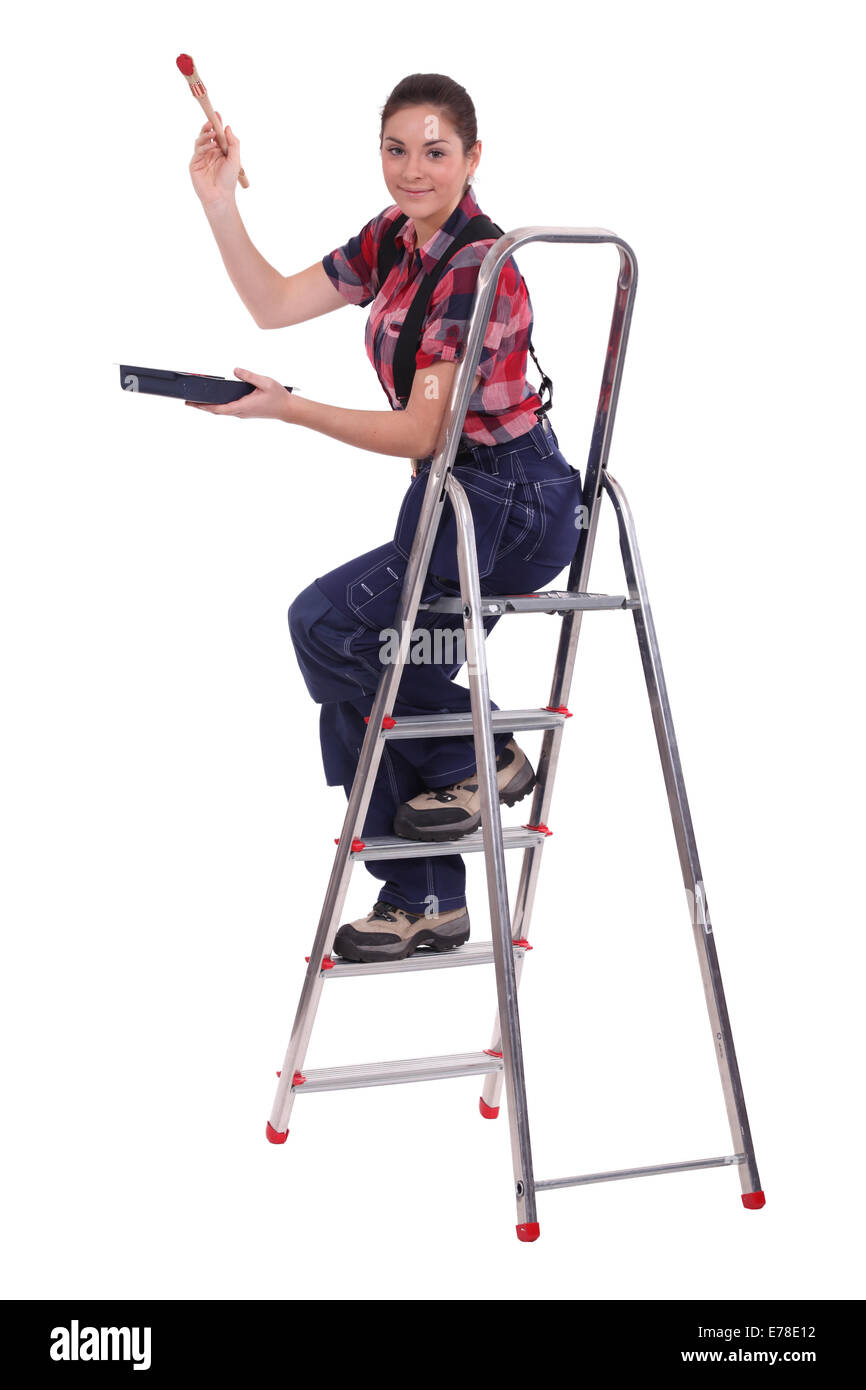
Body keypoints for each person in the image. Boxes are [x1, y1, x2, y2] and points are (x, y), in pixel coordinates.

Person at [186, 72, 584, 964]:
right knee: (357, 678)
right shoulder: (394, 242)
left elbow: (424, 427)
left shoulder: (478, 266)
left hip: (509, 501)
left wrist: (289, 409)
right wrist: (219, 203)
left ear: (473, 158)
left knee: (325, 626)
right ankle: (427, 897)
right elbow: (275, 303)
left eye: (436, 151)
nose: (413, 170)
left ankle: (477, 758)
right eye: (396, 149)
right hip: (451, 501)